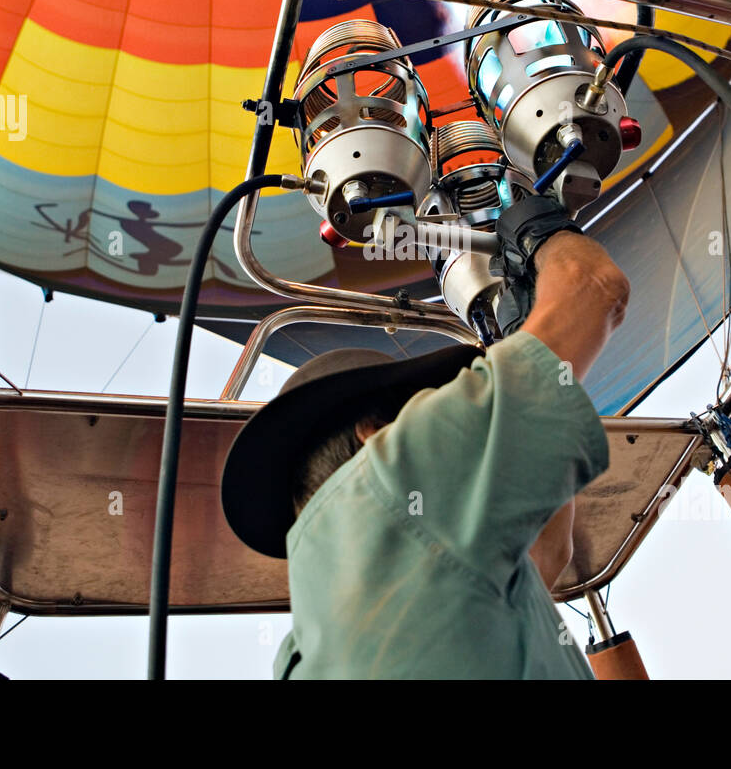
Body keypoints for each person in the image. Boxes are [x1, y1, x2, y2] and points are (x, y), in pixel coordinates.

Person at [220, 197, 630, 678]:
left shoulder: (301, 651)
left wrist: (532, 354)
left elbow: (544, 552)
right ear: (376, 435)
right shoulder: (397, 476)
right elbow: (595, 286)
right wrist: (538, 227)